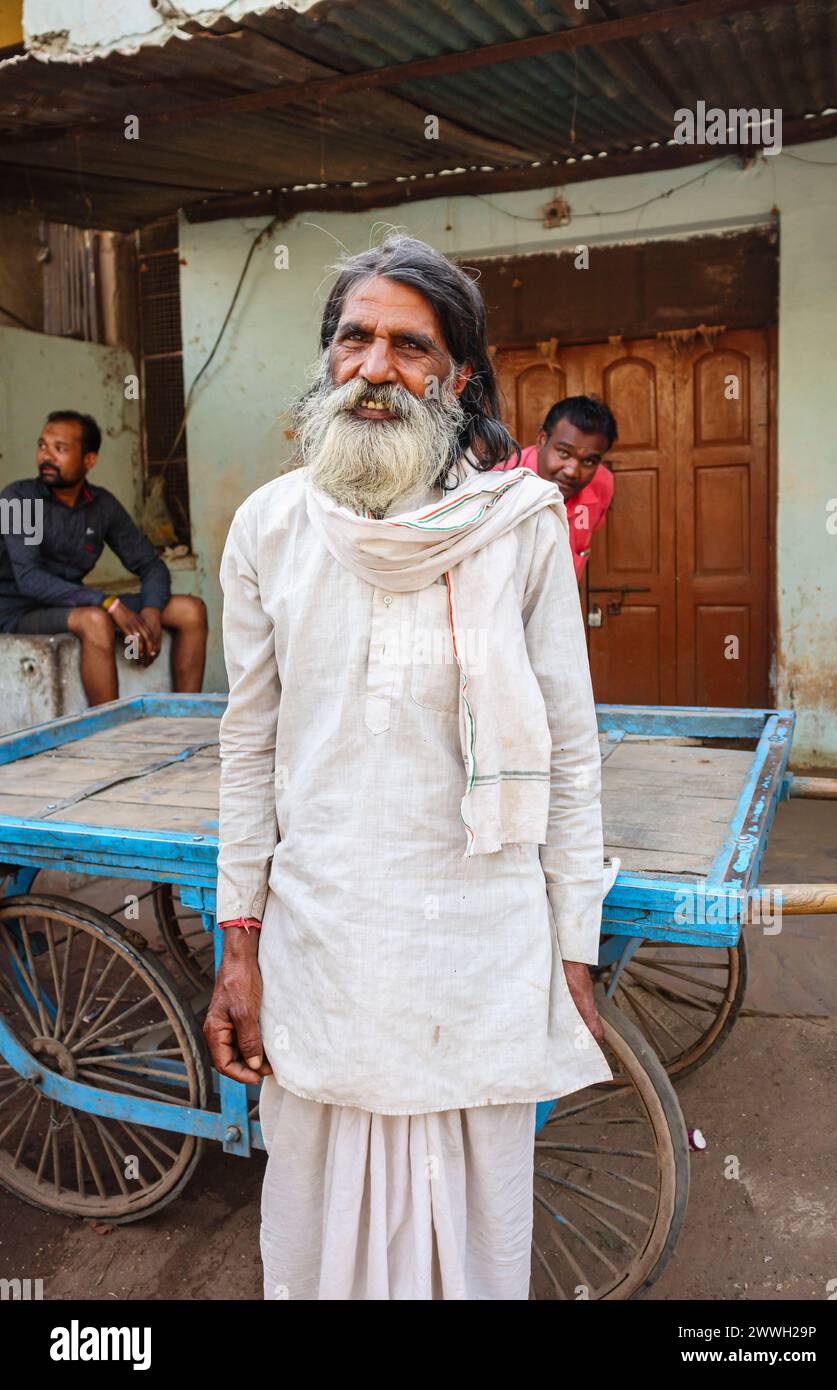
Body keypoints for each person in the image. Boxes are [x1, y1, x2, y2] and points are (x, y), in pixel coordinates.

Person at [205, 235, 612, 1302]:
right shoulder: (269, 528)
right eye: (354, 337)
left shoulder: (516, 522)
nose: (375, 366)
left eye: (407, 344)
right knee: (317, 1230)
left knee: (469, 1236)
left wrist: (573, 944)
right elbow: (247, 747)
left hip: (477, 941)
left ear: (456, 376)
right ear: (327, 357)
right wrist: (236, 945)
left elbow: (568, 743)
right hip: (321, 935)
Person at [0, 411, 207, 705]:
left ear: (89, 459)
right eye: (43, 446)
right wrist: (107, 603)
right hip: (19, 610)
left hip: (70, 604)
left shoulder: (101, 506)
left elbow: (150, 564)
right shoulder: (22, 500)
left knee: (191, 610)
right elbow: (30, 579)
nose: (46, 457)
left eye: (60, 449)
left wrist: (151, 610)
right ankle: (109, 733)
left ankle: (188, 713)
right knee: (95, 620)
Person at [496, 395, 617, 582]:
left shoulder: (601, 484)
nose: (572, 471)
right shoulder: (497, 485)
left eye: (589, 461)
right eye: (563, 452)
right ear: (542, 440)